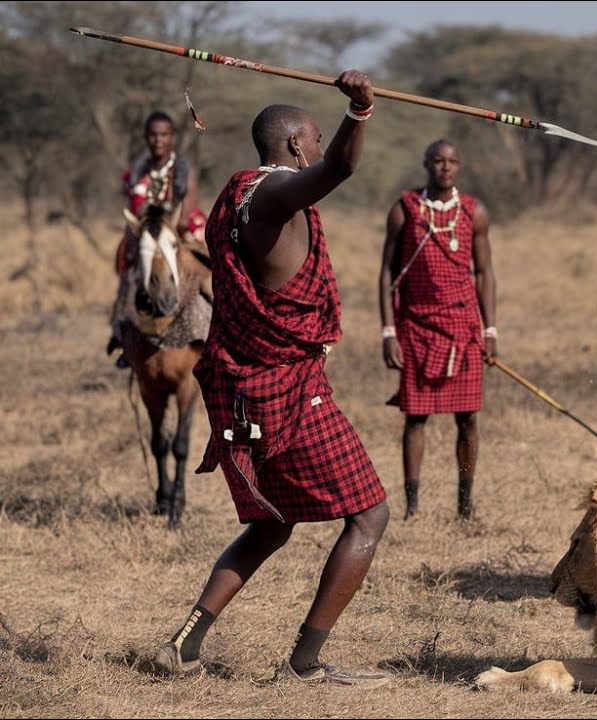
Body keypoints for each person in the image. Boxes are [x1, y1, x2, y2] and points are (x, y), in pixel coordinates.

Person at [152, 70, 391, 687]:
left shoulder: (233, 200)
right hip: (283, 387)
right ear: (293, 146)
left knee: (273, 521)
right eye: (312, 138)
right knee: (369, 516)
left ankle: (183, 644)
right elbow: (338, 169)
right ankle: (305, 664)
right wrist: (359, 113)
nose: (315, 148)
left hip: (246, 385)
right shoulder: (274, 194)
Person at [379, 139, 497, 521]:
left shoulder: (473, 212)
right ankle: (412, 508)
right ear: (426, 164)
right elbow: (387, 274)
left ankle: (465, 506)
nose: (444, 168)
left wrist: (490, 330)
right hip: (416, 326)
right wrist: (388, 331)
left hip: (463, 327)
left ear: (459, 167)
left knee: (468, 417)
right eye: (437, 161)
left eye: (451, 162)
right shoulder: (405, 210)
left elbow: (484, 273)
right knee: (415, 417)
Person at [107, 110, 205, 367]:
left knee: (206, 274)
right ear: (146, 138)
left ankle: (221, 332)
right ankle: (124, 338)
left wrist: (164, 227)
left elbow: (183, 214)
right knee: (129, 274)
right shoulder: (139, 172)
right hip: (148, 239)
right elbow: (134, 210)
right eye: (153, 135)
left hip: (179, 233)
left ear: (172, 137)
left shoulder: (184, 172)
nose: (158, 140)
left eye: (163, 135)